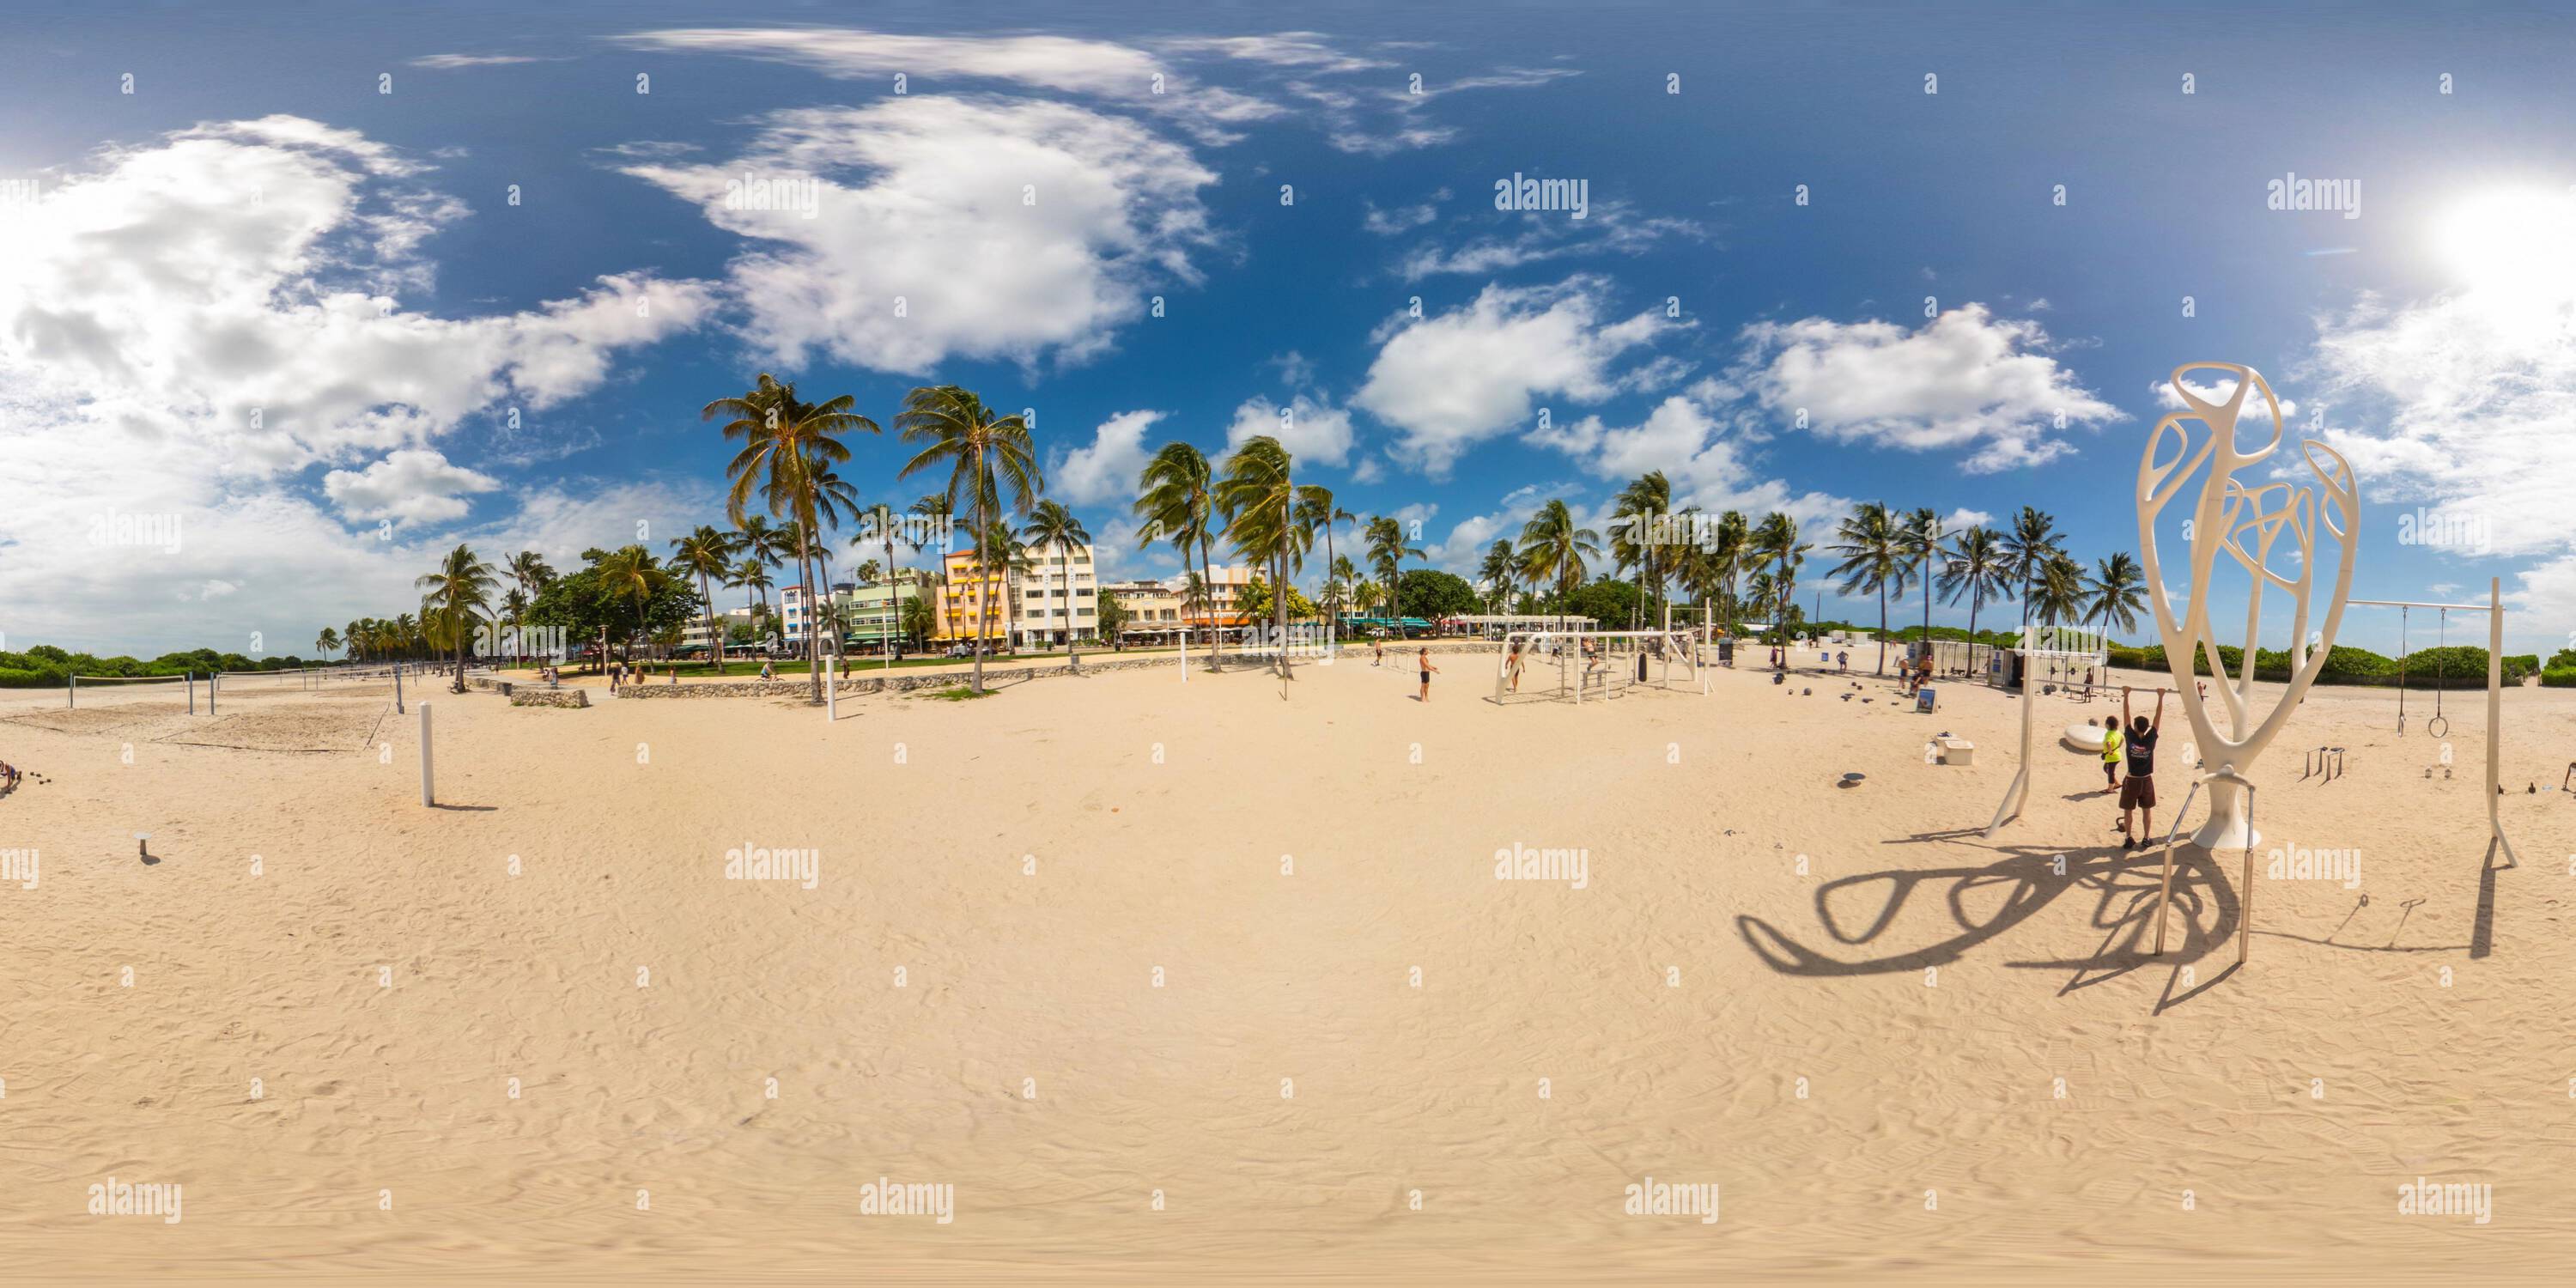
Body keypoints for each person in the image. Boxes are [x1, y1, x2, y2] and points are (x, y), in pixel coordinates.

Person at [2118, 687, 2165, 850]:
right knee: (2146, 811)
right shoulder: (2151, 739)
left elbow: (2126, 715)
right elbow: (2158, 719)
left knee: (2128, 811)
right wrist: (2160, 697)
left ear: (2136, 727)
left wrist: (2126, 695)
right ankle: (2146, 838)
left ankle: (2129, 837)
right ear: (2146, 728)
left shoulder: (2130, 736)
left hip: (2132, 780)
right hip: (2146, 780)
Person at [2099, 713, 2124, 793]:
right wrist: (2118, 747)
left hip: (2112, 758)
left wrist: (2110, 751)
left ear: (2108, 725)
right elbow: (2122, 739)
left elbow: (2108, 743)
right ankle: (2117, 784)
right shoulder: (2118, 732)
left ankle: (2110, 789)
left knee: (2110, 772)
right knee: (2106, 769)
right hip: (2117, 756)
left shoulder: (2108, 734)